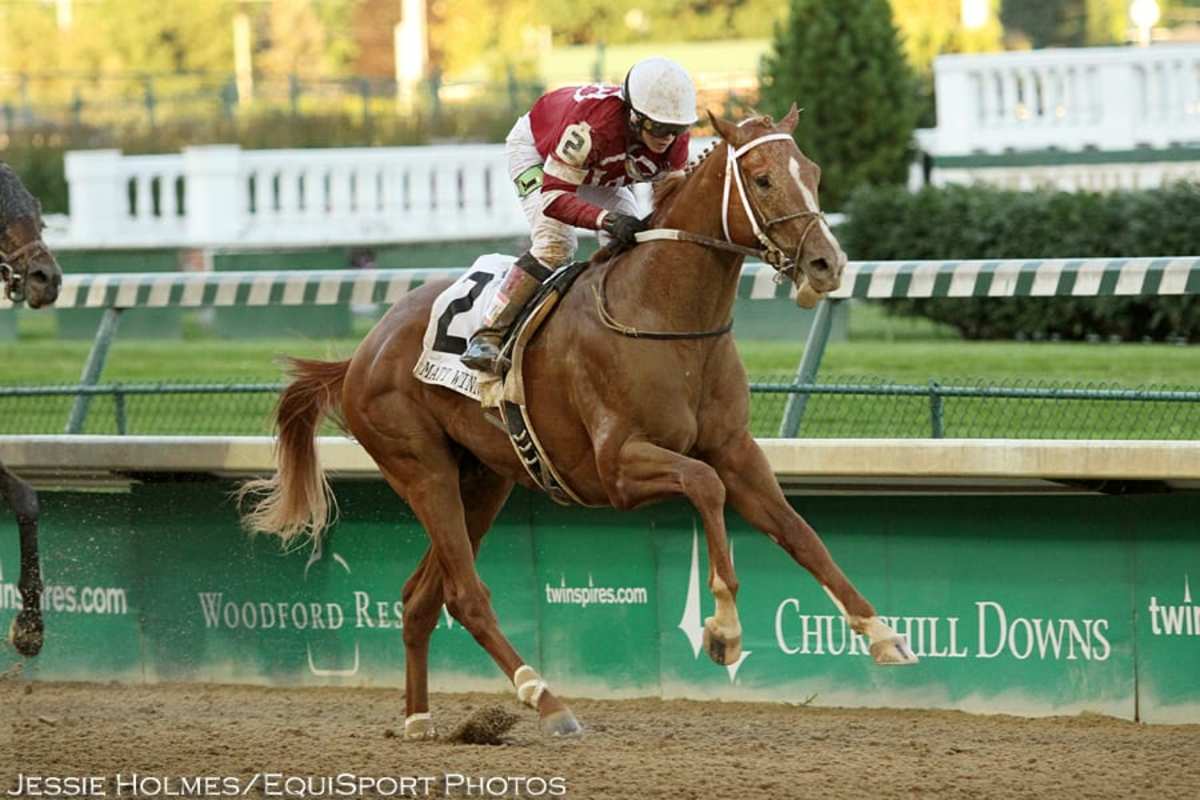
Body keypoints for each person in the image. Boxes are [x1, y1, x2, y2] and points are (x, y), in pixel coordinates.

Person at [460, 56, 698, 374]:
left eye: (676, 129)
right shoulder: (592, 128)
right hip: (540, 153)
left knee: (634, 244)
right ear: (634, 115)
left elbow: (670, 198)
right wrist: (607, 219)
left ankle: (620, 328)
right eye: (657, 126)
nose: (667, 137)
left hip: (600, 168)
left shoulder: (675, 141)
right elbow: (555, 198)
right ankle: (489, 332)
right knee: (555, 245)